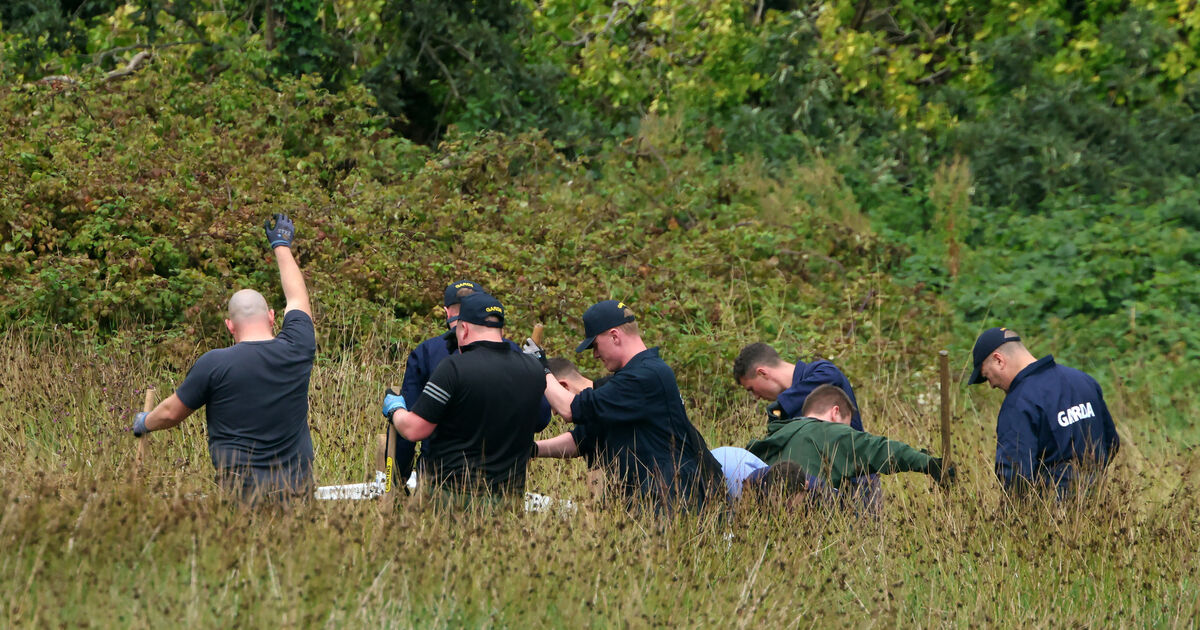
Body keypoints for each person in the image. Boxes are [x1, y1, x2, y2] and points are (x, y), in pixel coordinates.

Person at [131, 214, 316, 502]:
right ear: (271, 317)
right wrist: (281, 245)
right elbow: (297, 299)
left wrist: (145, 422)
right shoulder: (297, 347)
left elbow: (170, 413)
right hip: (297, 493)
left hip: (242, 497)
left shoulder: (214, 364)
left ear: (229, 326)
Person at [531, 299, 723, 512]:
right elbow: (583, 440)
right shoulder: (630, 378)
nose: (595, 355)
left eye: (595, 345)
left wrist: (540, 367)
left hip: (672, 499)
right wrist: (531, 449)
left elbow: (570, 409)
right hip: (652, 497)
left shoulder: (645, 376)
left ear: (614, 336)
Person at [384, 293, 546, 500]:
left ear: (464, 328)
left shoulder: (453, 368)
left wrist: (395, 409)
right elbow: (541, 420)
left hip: (451, 496)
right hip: (509, 499)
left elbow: (414, 429)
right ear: (501, 330)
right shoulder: (533, 368)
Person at [968, 326, 1119, 497]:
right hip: (1099, 502)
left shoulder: (1018, 403)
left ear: (999, 360)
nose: (991, 385)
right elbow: (1111, 443)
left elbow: (1015, 478)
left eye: (987, 376)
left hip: (1051, 508)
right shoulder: (1082, 380)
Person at [745, 385, 952, 498]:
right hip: (809, 522)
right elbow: (879, 449)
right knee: (864, 480)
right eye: (846, 425)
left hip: (762, 523)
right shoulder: (829, 431)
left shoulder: (775, 435)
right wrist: (929, 464)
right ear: (835, 412)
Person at [733, 342, 865, 431]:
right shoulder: (783, 412)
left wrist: (782, 406)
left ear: (762, 373)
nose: (756, 396)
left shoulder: (823, 372)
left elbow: (832, 376)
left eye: (751, 389)